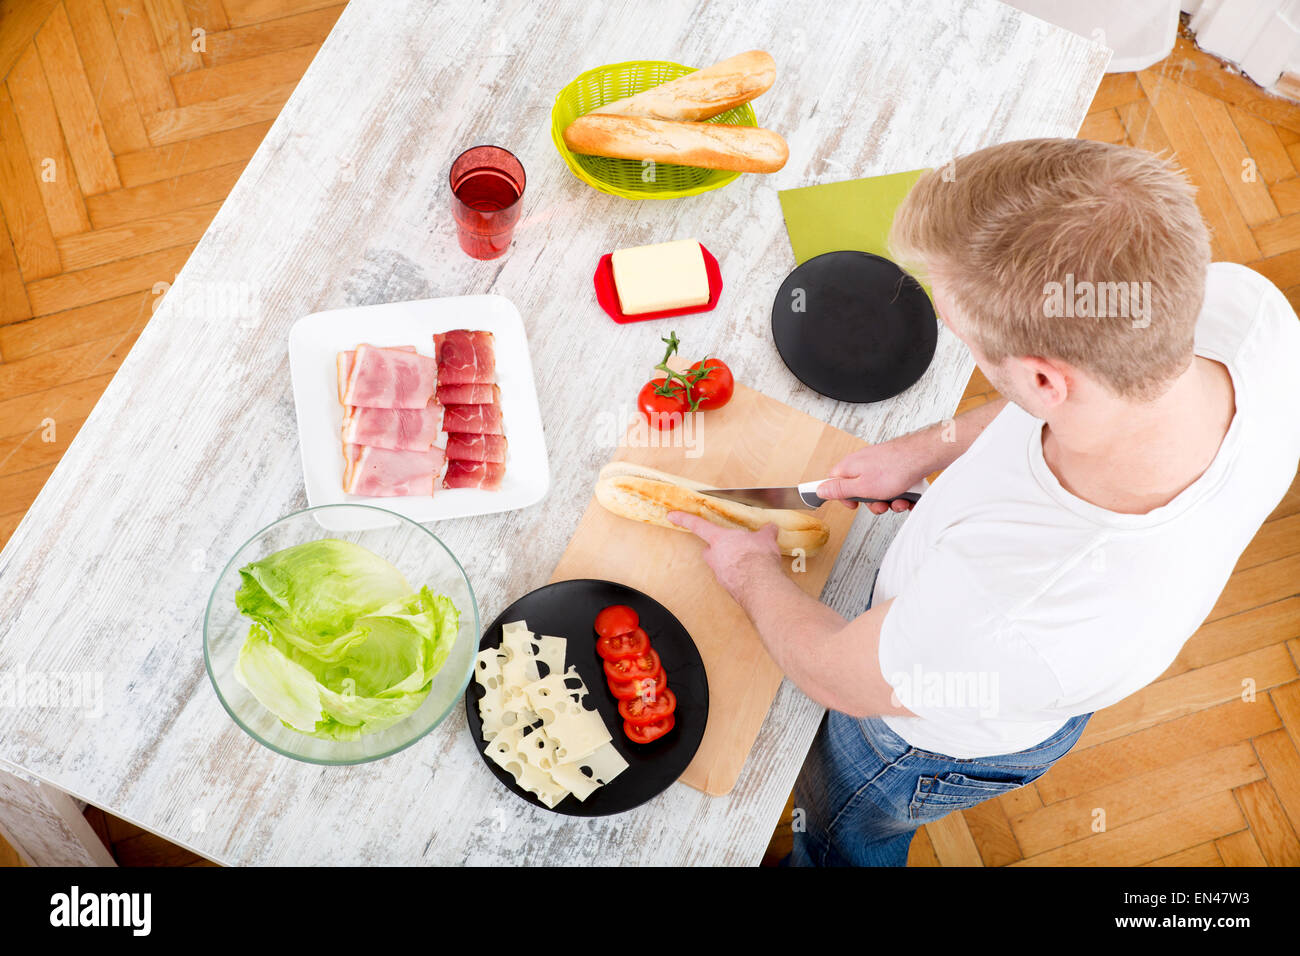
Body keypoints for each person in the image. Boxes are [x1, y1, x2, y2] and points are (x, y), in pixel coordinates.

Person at [667, 138, 1300, 866]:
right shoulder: (1247, 313)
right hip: (1008, 658)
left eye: (962, 334)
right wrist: (927, 448)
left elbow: (834, 674)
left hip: (918, 741)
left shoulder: (1011, 606)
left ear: (1042, 381)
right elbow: (1069, 404)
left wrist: (749, 568)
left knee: (840, 835)